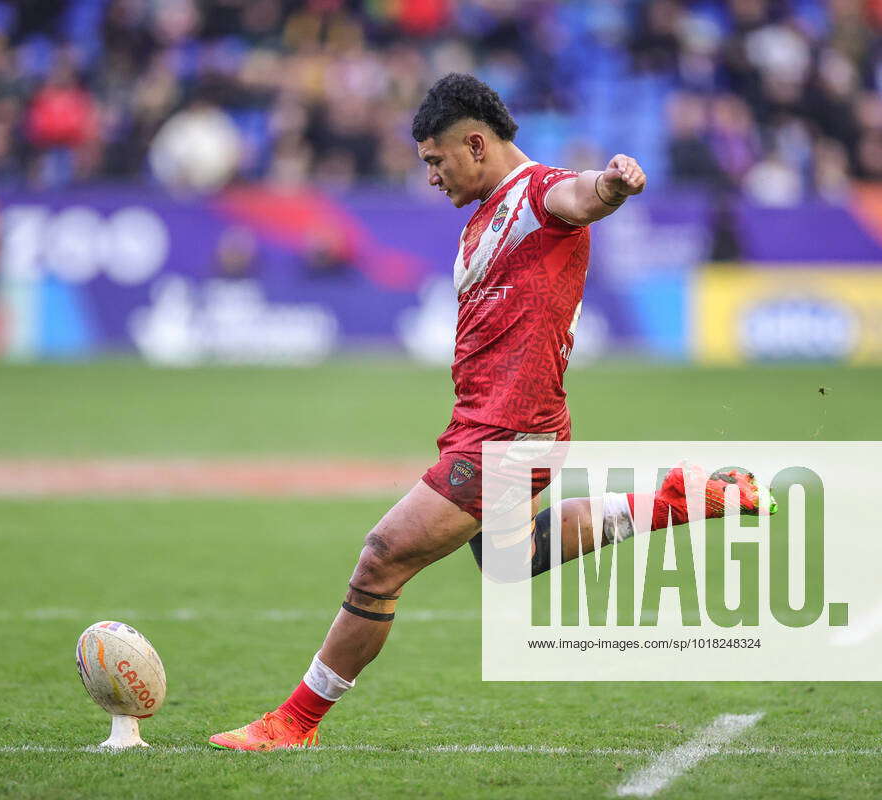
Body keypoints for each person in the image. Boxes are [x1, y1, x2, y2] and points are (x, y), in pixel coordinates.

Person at [208, 74, 769, 751]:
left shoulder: (538, 195)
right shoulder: (485, 215)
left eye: (435, 160)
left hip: (509, 433)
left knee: (381, 558)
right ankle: (677, 498)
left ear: (475, 144)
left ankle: (295, 722)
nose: (431, 176)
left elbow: (582, 195)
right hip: (497, 425)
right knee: (510, 558)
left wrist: (613, 185)